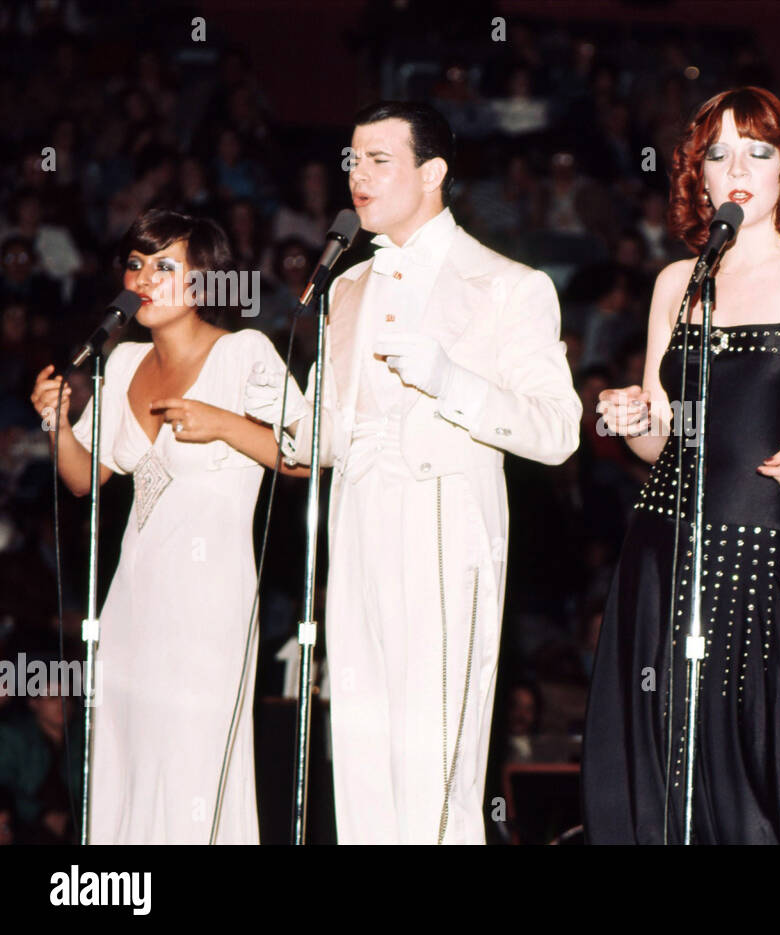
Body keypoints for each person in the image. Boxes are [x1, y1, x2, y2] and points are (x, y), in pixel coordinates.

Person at [245, 101, 581, 844]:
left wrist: (452, 380)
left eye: (377, 160)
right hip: (359, 529)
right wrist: (266, 396)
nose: (357, 177)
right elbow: (321, 440)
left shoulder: (507, 285)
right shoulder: (344, 287)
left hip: (445, 527)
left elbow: (558, 432)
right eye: (351, 161)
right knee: (362, 750)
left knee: (436, 758)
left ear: (432, 173)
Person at [581, 86, 780, 844]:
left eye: (758, 152)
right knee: (656, 766)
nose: (738, 168)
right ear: (696, 175)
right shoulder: (676, 281)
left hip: (758, 546)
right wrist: (631, 419)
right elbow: (666, 439)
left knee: (748, 774)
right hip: (660, 552)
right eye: (718, 153)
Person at [28, 208, 307, 843]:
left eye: (165, 267)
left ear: (206, 283)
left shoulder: (244, 352)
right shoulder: (122, 363)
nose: (144, 279)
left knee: (191, 755)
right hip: (134, 596)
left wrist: (226, 425)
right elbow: (83, 479)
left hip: (209, 597)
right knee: (130, 753)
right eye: (136, 264)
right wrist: (57, 423)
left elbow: (310, 455)